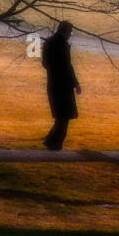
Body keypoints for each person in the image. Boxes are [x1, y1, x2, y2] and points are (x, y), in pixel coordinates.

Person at [41, 20, 81, 150]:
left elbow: (45, 64)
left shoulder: (49, 42)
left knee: (61, 116)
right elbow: (68, 66)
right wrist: (76, 84)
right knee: (64, 116)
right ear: (66, 31)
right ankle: (54, 143)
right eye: (70, 31)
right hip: (64, 85)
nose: (70, 34)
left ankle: (52, 140)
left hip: (53, 83)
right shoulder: (62, 45)